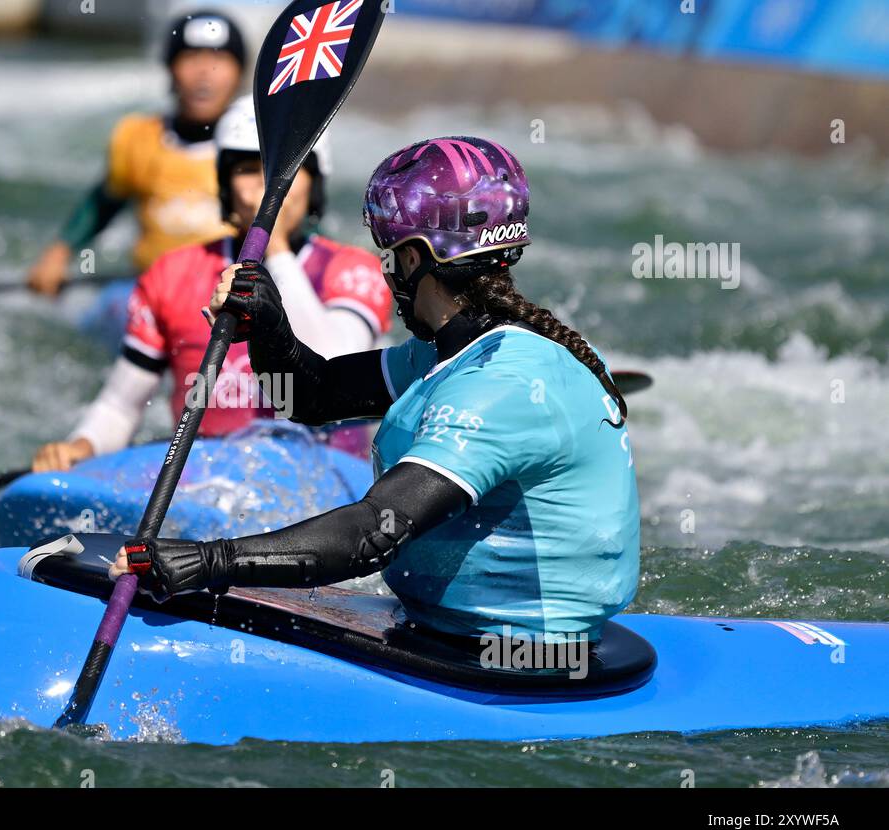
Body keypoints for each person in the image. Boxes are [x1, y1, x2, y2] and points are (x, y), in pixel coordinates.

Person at [109, 137, 640, 644]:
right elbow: (310, 399)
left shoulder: (501, 384)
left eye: (387, 253)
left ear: (412, 258)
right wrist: (269, 327)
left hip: (517, 656)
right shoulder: (451, 348)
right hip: (445, 626)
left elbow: (372, 533)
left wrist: (206, 564)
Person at [31, 97, 393, 472]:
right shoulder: (171, 274)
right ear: (225, 185)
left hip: (324, 479)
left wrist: (277, 247)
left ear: (314, 183)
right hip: (205, 481)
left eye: (286, 172)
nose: (269, 188)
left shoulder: (353, 269)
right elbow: (120, 406)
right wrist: (82, 447)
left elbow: (330, 367)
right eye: (250, 170)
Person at [26, 9, 246, 296]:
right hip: (150, 289)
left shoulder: (260, 146)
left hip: (230, 295)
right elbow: (103, 204)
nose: (204, 71)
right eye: (191, 57)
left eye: (218, 57)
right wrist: (59, 253)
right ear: (170, 69)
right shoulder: (138, 138)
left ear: (240, 72)